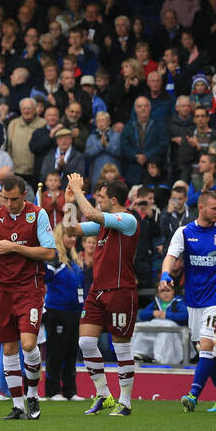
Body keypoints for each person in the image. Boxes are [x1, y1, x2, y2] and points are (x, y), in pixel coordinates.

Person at [0, 175, 58, 420]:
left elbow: (50, 252)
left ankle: (32, 394)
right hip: (3, 290)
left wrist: (15, 247)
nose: (9, 203)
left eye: (14, 199)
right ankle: (17, 405)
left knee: (28, 344)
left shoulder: (37, 214)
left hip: (30, 288)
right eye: (5, 198)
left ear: (24, 196)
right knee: (8, 348)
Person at [66, 172, 138, 417]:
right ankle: (103, 394)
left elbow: (93, 214)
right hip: (97, 291)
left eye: (102, 197)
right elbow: (71, 229)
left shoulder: (128, 220)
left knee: (121, 348)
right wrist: (69, 202)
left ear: (115, 201)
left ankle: (125, 402)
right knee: (85, 342)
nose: (99, 200)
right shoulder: (104, 223)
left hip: (120, 290)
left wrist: (78, 192)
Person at [159, 190, 216, 411]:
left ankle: (193, 394)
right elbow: (170, 257)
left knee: (207, 345)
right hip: (194, 299)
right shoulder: (184, 232)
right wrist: (165, 276)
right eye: (214, 208)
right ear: (201, 208)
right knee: (206, 349)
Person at [42, 219, 85, 400]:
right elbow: (43, 278)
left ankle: (70, 390)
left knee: (71, 351)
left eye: (74, 236)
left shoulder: (73, 259)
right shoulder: (54, 259)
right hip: (56, 311)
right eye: (69, 235)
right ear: (61, 236)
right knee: (56, 351)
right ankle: (52, 390)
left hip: (74, 311)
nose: (73, 239)